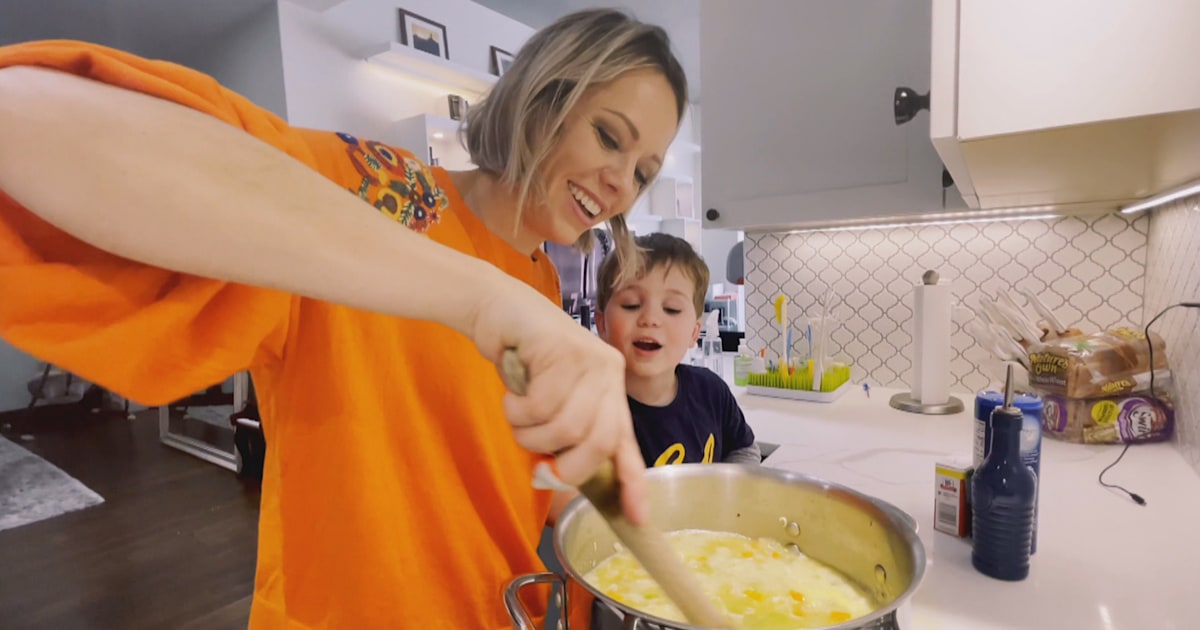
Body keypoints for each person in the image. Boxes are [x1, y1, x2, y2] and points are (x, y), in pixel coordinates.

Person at [0, 8, 687, 629]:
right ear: (542, 98)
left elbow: (504, 476)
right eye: (608, 137)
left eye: (643, 172)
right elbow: (21, 120)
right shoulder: (378, 193)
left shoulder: (541, 286)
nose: (620, 183)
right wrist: (482, 297)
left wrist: (605, 498)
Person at [594, 233, 760, 468]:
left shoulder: (711, 392)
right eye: (631, 304)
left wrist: (726, 493)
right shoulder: (591, 411)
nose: (650, 319)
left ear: (694, 332)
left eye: (671, 309)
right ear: (601, 323)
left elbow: (743, 449)